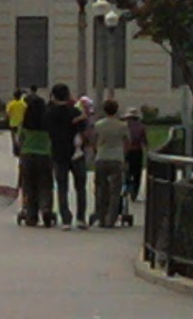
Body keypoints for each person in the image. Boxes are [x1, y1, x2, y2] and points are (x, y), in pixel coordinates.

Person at [44, 83, 88, 228]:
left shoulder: (49, 113)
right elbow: (83, 128)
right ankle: (81, 218)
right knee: (80, 187)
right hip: (76, 153)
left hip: (58, 153)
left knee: (62, 187)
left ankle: (66, 219)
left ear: (53, 96)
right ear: (68, 95)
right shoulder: (75, 112)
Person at [16, 89, 53, 227]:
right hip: (44, 156)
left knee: (29, 186)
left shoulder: (25, 124)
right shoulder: (48, 124)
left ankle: (31, 215)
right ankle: (46, 208)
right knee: (45, 185)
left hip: (27, 156)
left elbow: (19, 141)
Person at [89, 99, 129, 228]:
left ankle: (100, 216)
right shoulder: (122, 125)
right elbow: (128, 141)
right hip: (116, 158)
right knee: (115, 191)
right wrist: (124, 154)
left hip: (101, 157)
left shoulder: (98, 124)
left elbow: (93, 140)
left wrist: (96, 151)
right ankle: (110, 218)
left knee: (101, 188)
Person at [124, 107, 149, 203]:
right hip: (137, 151)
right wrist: (147, 150)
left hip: (126, 151)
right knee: (137, 173)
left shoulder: (124, 126)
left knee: (127, 171)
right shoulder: (141, 127)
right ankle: (134, 192)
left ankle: (126, 186)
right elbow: (144, 141)